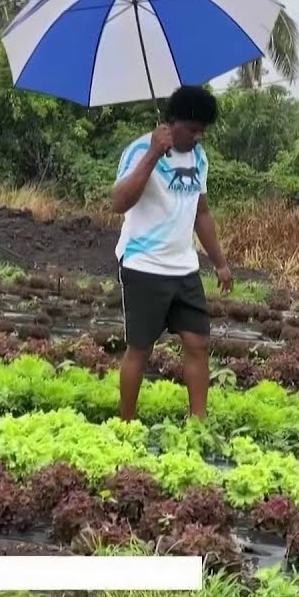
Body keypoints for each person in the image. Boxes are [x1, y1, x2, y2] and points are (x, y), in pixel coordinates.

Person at [110, 85, 233, 422]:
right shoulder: (138, 150)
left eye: (201, 132)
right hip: (144, 265)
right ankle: (126, 424)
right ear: (172, 122)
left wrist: (220, 262)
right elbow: (120, 203)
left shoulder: (199, 157)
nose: (197, 137)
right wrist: (153, 154)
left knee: (198, 344)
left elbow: (201, 212)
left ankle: (198, 423)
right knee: (140, 348)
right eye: (192, 130)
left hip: (184, 267)